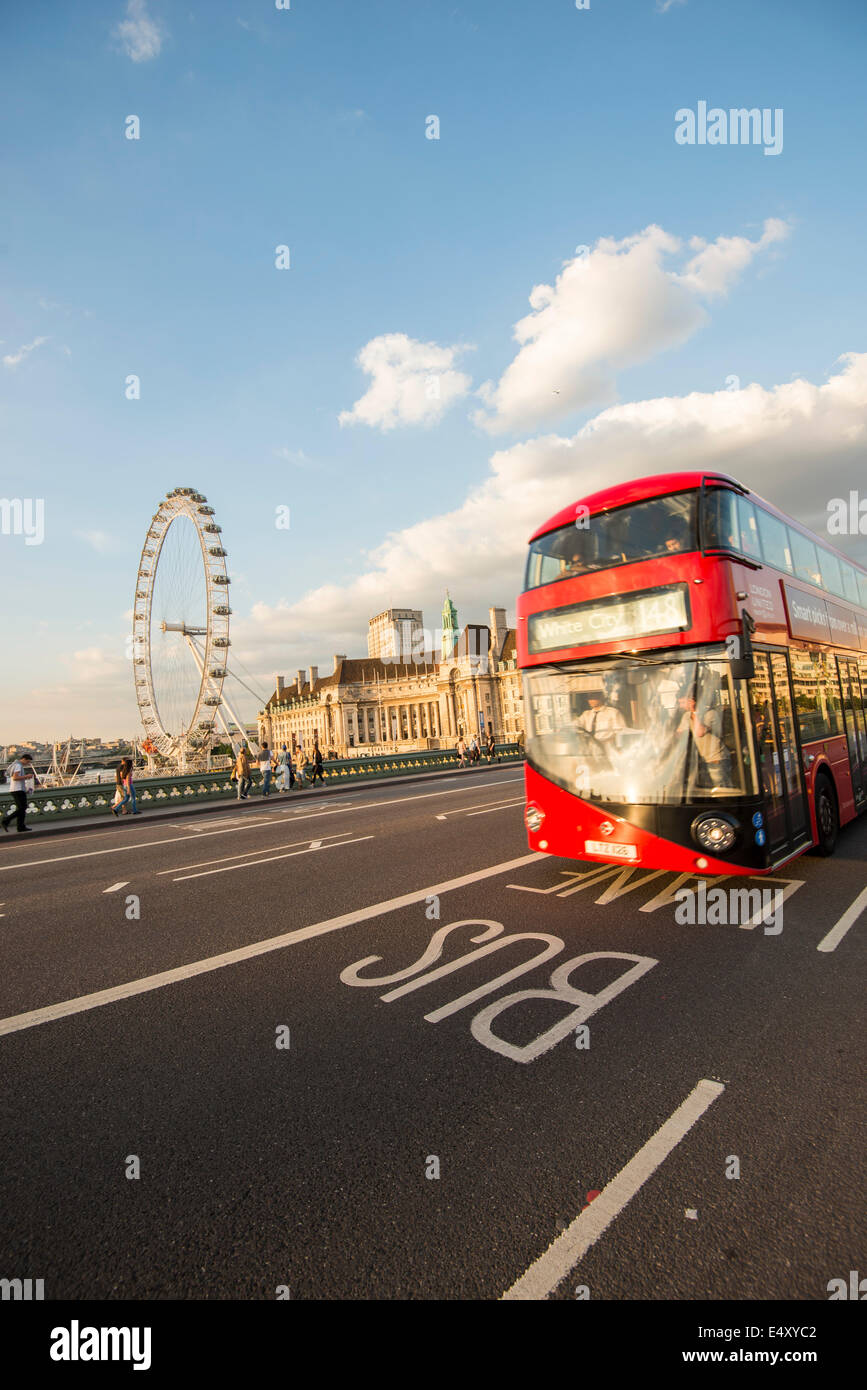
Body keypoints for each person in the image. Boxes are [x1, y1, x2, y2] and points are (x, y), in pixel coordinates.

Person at [677, 695, 732, 788]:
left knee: (721, 789)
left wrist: (694, 711)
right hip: (703, 759)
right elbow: (679, 733)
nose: (680, 706)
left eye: (682, 703)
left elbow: (700, 732)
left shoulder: (710, 714)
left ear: (692, 701)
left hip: (716, 759)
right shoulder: (687, 716)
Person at [2, 752, 38, 833]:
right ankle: (6, 820)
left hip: (17, 789)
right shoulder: (18, 765)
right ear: (24, 759)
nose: (28, 764)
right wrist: (27, 776)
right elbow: (15, 778)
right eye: (28, 762)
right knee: (22, 808)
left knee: (22, 808)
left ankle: (20, 826)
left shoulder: (16, 764)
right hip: (17, 790)